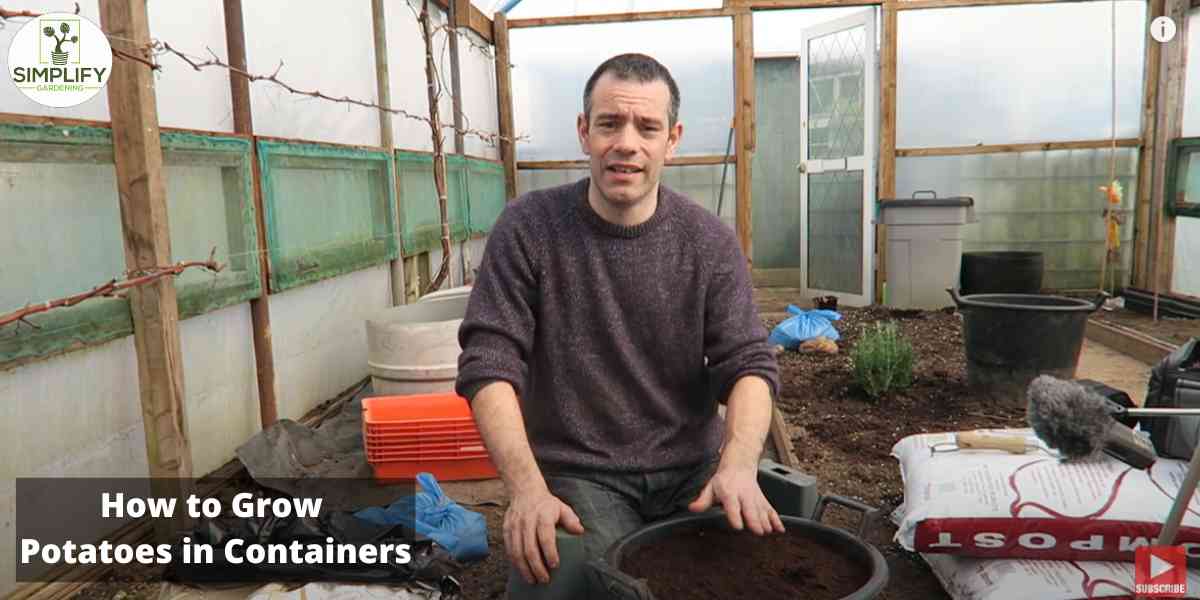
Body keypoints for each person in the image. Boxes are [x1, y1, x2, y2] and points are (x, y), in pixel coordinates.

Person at [455, 52, 784, 595]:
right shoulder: (529, 228)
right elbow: (488, 363)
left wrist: (740, 463)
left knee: (763, 574)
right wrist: (527, 488)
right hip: (581, 473)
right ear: (584, 132)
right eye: (609, 123)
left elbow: (748, 362)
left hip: (693, 471)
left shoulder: (708, 242)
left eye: (647, 127)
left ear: (671, 140)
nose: (626, 142)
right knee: (587, 583)